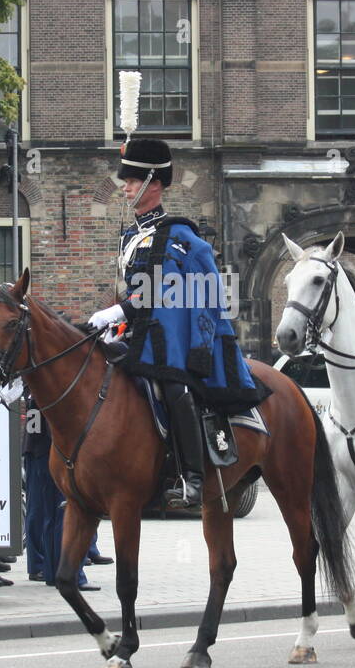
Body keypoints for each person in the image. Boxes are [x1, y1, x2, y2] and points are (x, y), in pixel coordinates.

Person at [88, 137, 263, 508]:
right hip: (138, 332)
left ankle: (191, 478)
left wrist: (121, 311)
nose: (126, 188)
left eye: (133, 182)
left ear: (154, 185)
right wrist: (116, 321)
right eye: (126, 181)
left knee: (173, 385)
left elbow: (167, 292)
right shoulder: (132, 236)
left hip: (173, 337)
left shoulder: (179, 237)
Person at [22, 397, 97, 591]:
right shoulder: (51, 386)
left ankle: (50, 570)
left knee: (48, 515)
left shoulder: (34, 387)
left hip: (37, 449)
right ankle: (71, 574)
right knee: (65, 514)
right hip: (52, 451)